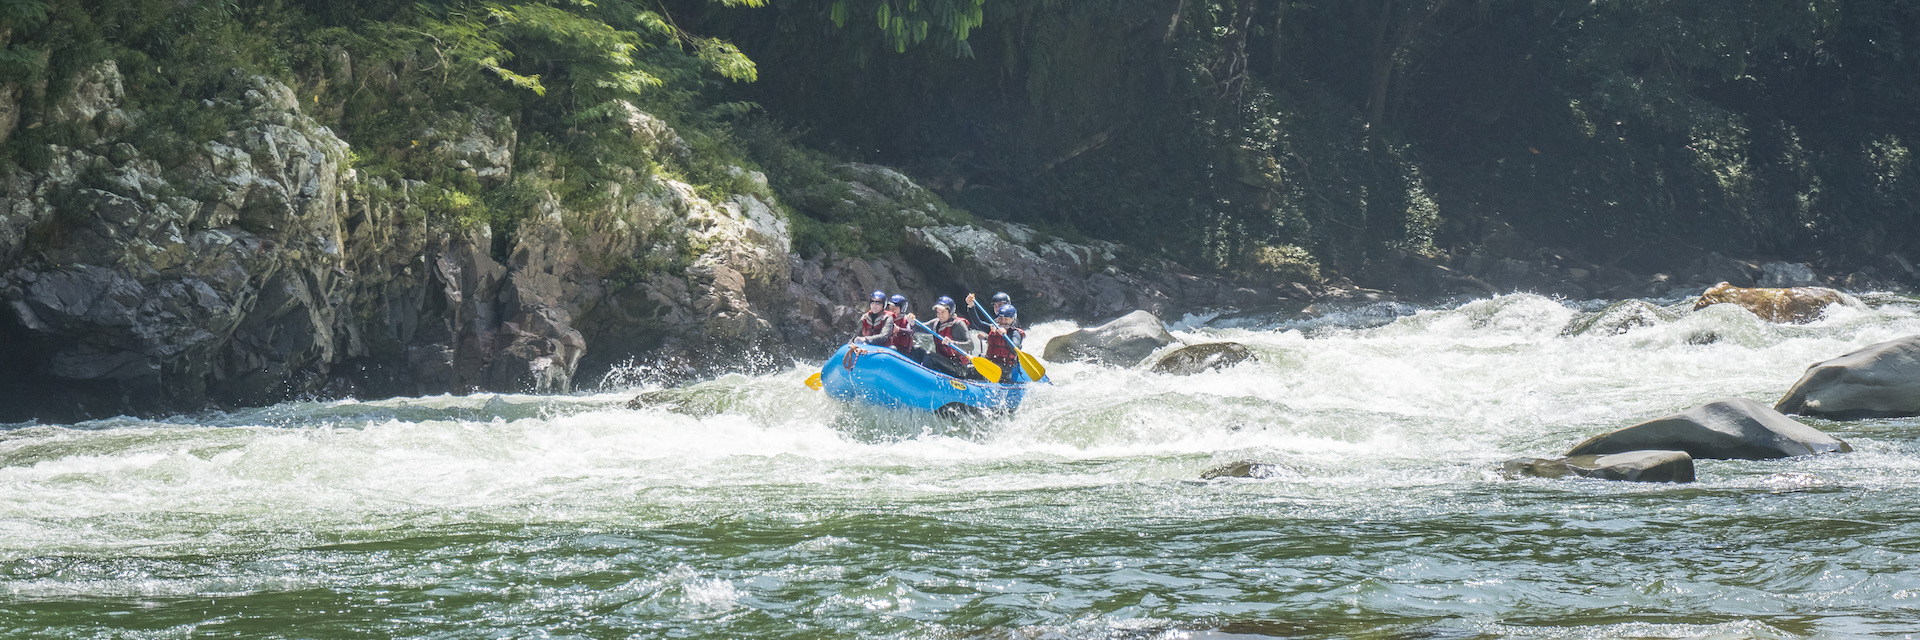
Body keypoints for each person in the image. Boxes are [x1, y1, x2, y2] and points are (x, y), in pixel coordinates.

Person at [922, 296, 983, 381]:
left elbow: (970, 345)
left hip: (959, 368)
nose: (940, 315)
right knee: (919, 351)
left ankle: (925, 381)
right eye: (938, 312)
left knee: (929, 356)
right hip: (945, 362)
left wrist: (953, 343)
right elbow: (920, 327)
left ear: (950, 312)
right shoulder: (936, 323)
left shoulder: (958, 324)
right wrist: (911, 322)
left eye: (943, 312)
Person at [983, 303, 1027, 384]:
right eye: (1001, 318)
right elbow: (977, 323)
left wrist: (1005, 335)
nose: (1003, 321)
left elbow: (1015, 350)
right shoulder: (994, 328)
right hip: (992, 362)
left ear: (1013, 319)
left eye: (1007, 319)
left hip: (1006, 367)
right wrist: (971, 307)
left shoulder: (1014, 333)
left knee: (999, 368)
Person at [886, 294, 928, 361]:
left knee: (893, 348)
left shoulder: (907, 319)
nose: (891, 310)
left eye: (894, 308)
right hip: (890, 349)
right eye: (890, 308)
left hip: (904, 352)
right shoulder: (887, 318)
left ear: (901, 308)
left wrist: (899, 330)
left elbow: (911, 331)